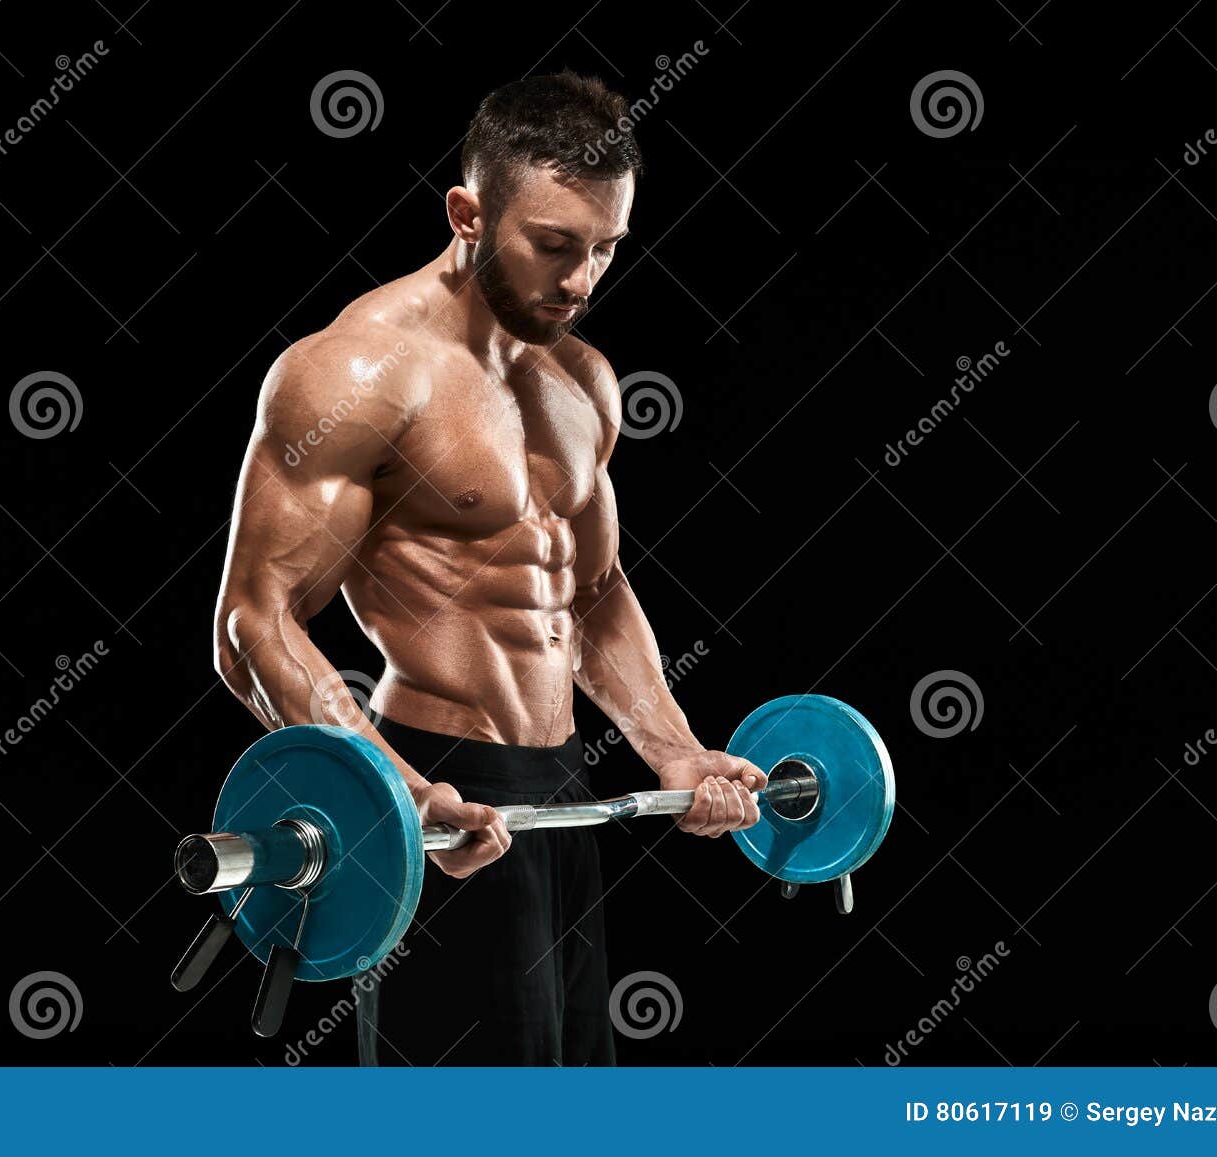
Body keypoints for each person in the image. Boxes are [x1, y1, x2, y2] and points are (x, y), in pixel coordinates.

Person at [211, 71, 765, 1066]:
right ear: (467, 214)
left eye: (605, 247)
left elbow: (592, 594)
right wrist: (394, 794)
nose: (581, 279)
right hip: (442, 787)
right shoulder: (357, 373)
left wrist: (674, 748)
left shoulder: (582, 381)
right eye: (553, 245)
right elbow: (254, 623)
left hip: (562, 792)